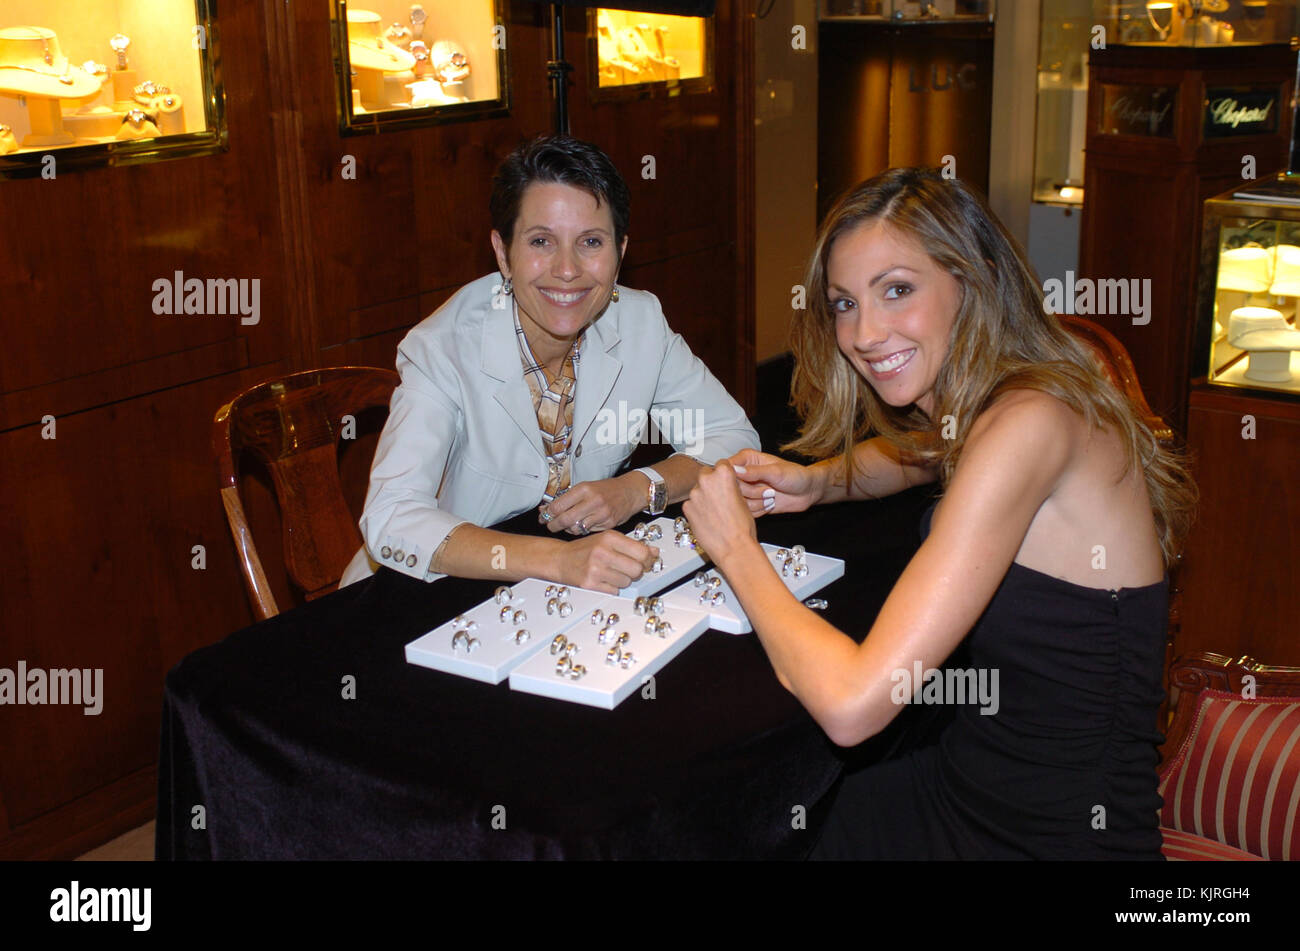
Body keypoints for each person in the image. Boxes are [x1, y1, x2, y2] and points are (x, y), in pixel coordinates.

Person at [682, 167, 1196, 859]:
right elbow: (918, 454)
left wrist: (735, 549)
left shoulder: (1029, 421)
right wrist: (814, 483)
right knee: (769, 820)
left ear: (973, 279)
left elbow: (854, 705)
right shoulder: (1006, 394)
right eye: (843, 303)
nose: (864, 333)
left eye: (898, 290)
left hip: (1054, 838)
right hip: (971, 784)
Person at [340, 135, 758, 593]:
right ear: (503, 253)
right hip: (428, 593)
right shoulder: (443, 349)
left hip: (568, 589)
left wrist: (638, 488)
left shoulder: (640, 322)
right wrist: (558, 560)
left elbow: (732, 438)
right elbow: (391, 519)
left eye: (591, 242)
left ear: (620, 252)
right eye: (541, 241)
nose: (566, 269)